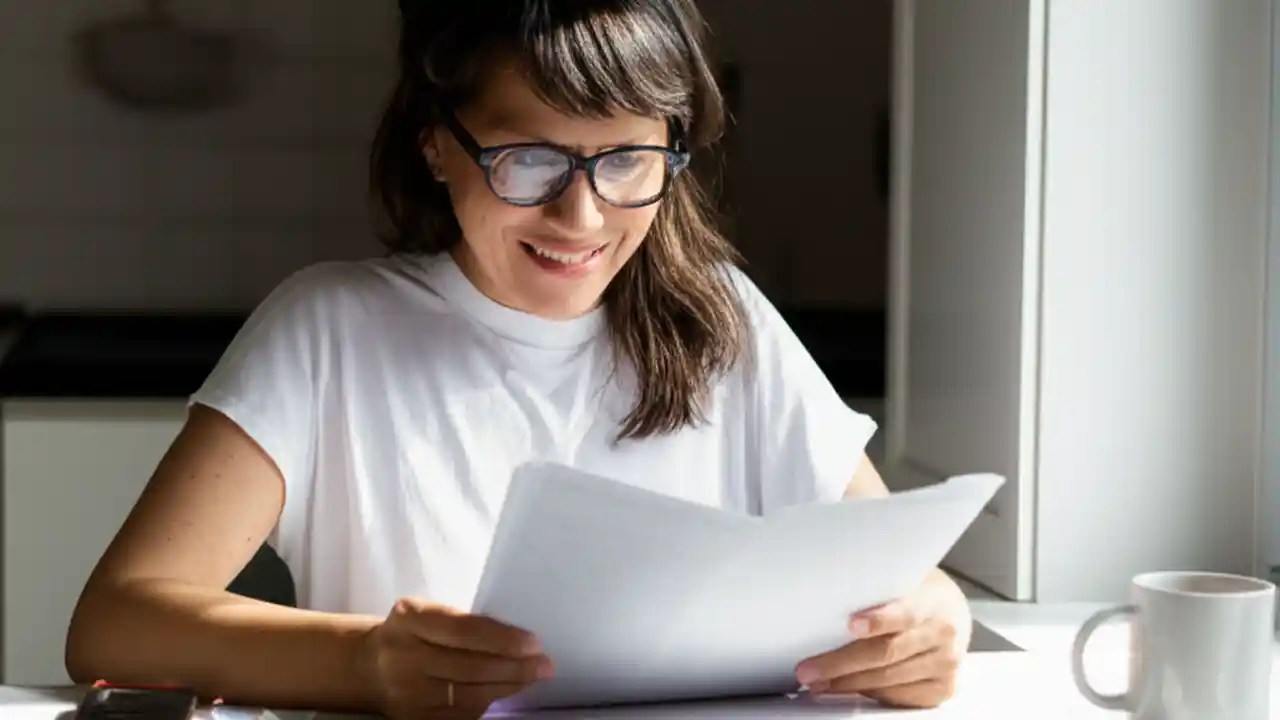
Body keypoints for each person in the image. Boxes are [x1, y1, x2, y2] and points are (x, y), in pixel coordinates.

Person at [64, 1, 972, 717]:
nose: (581, 219)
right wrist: (364, 662)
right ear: (435, 144)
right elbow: (117, 623)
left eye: (625, 161)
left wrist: (936, 623)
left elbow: (897, 572)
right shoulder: (329, 330)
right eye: (529, 162)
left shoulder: (725, 322)